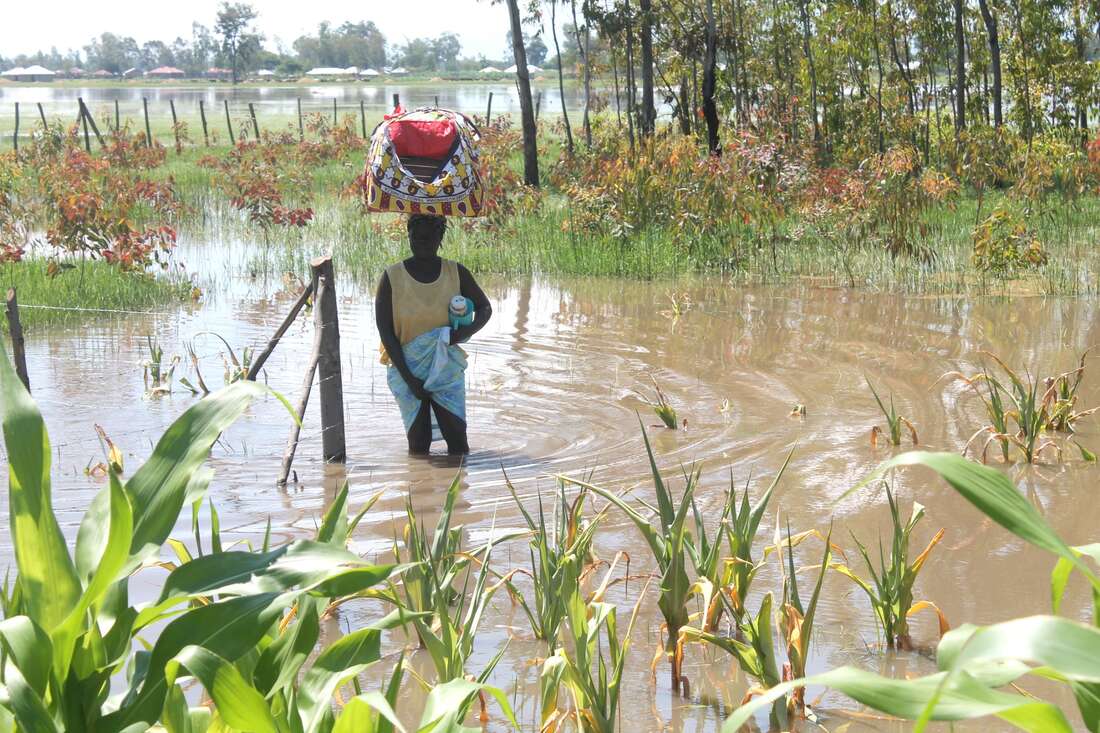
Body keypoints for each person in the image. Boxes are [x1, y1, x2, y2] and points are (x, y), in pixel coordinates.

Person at [375, 214, 492, 454]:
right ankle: (421, 480)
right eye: (416, 237)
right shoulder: (391, 277)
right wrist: (410, 379)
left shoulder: (455, 272)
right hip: (406, 367)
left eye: (429, 237)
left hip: (445, 366)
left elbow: (485, 308)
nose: (422, 242)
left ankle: (458, 478)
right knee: (419, 445)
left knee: (458, 441)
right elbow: (386, 333)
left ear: (441, 238)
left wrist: (461, 334)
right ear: (408, 236)